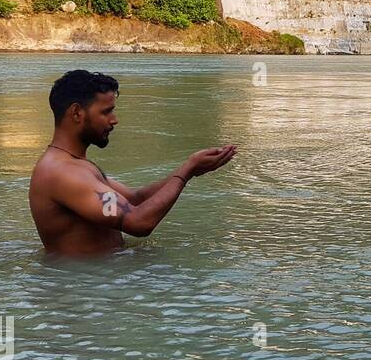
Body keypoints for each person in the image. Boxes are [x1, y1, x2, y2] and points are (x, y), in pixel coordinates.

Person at [28, 70, 237, 255]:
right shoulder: (62, 173)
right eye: (106, 111)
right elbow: (138, 222)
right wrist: (185, 172)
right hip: (88, 293)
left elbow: (135, 200)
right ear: (76, 113)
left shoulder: (76, 165)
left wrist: (190, 170)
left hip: (100, 285)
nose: (114, 119)